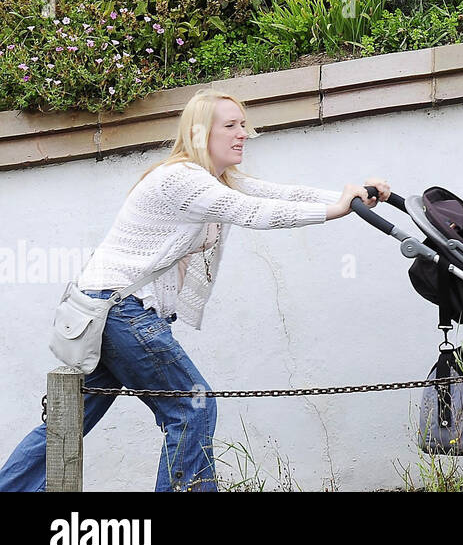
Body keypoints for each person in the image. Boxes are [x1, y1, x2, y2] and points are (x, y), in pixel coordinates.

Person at [0, 89, 391, 491]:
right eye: (230, 126)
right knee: (192, 407)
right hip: (121, 310)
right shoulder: (181, 179)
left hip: (108, 310)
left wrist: (355, 198)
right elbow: (256, 213)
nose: (242, 134)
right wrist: (338, 207)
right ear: (201, 131)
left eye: (243, 125)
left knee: (69, 419)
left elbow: (277, 194)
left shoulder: (213, 180)